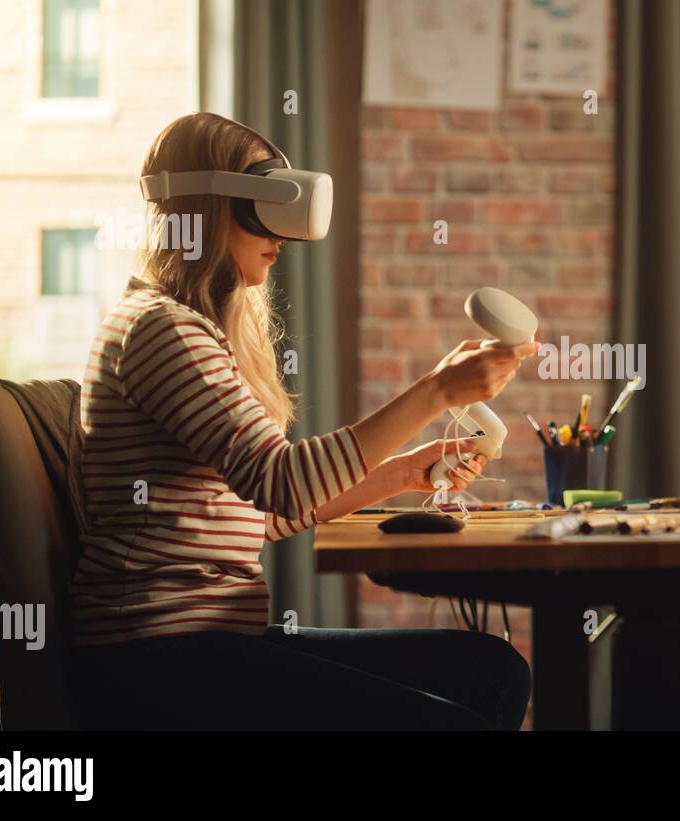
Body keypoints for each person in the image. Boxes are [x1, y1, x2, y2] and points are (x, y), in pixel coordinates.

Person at [70, 113, 538, 730]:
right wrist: (435, 392)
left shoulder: (186, 328)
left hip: (211, 641)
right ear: (210, 208)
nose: (281, 237)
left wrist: (399, 474)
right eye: (262, 209)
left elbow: (259, 511)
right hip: (156, 654)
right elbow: (282, 481)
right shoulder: (161, 330)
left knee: (493, 670)